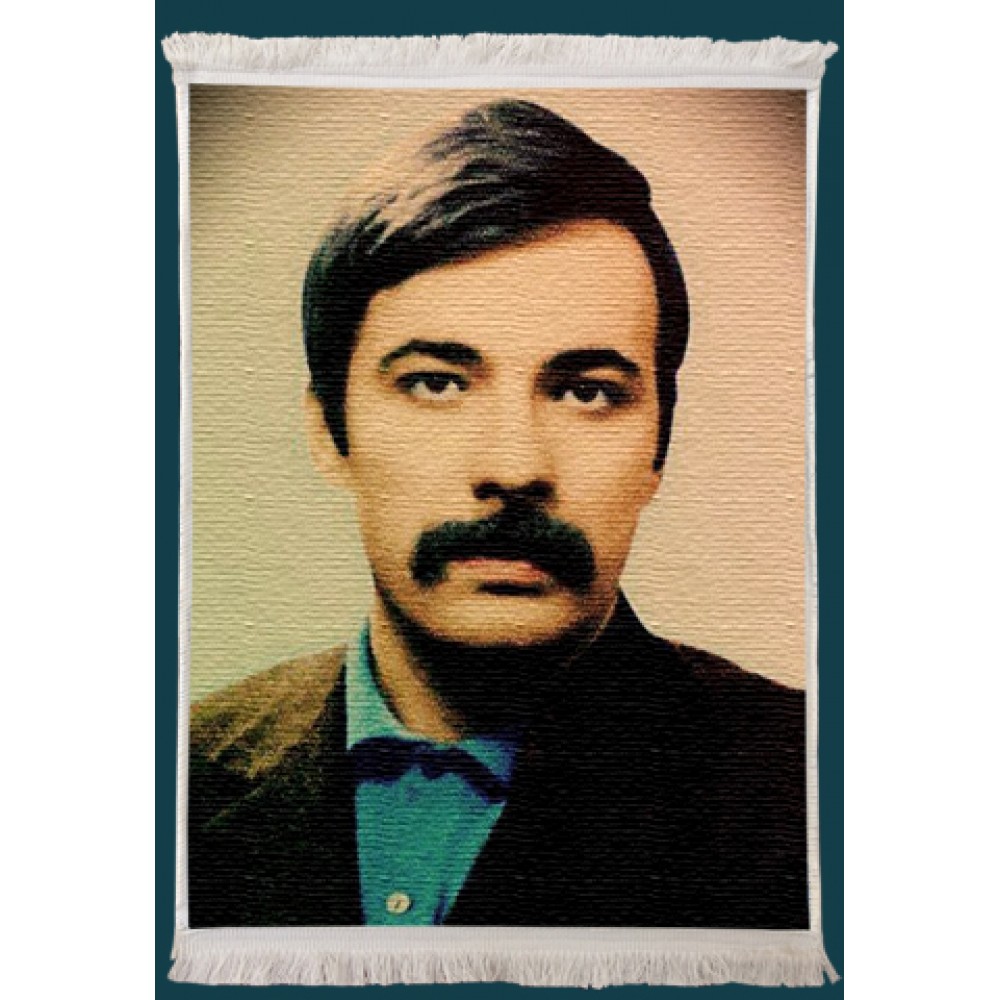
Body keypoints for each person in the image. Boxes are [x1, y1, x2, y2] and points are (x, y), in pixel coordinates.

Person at [187, 100, 807, 929]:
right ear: (329, 432)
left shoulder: (815, 790)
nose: (515, 468)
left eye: (587, 392)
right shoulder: (166, 779)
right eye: (436, 383)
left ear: (659, 446)